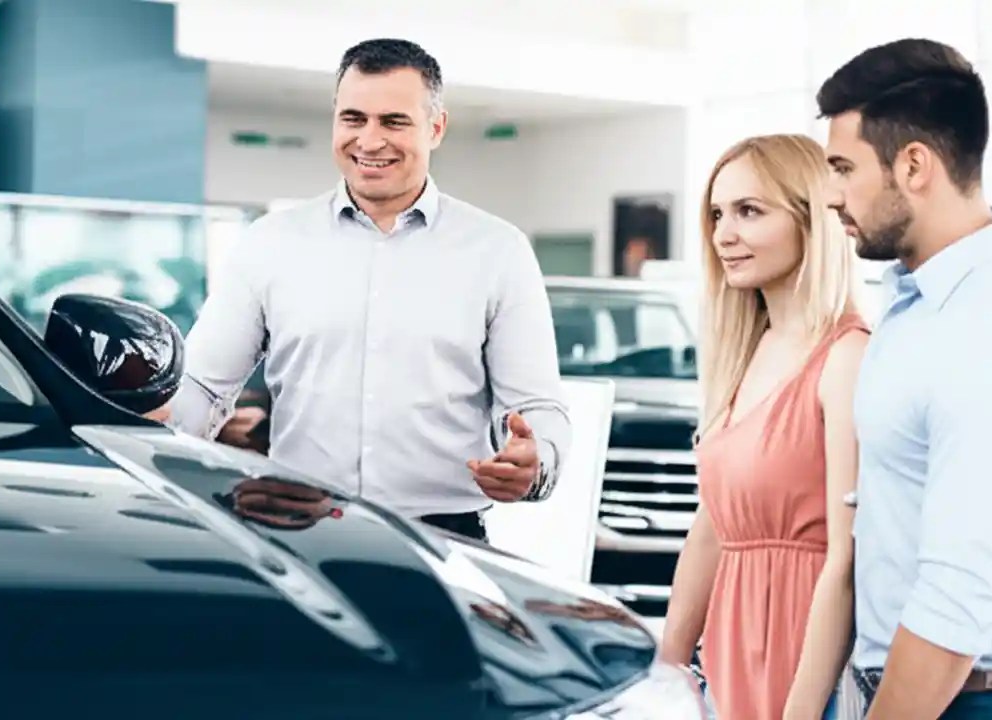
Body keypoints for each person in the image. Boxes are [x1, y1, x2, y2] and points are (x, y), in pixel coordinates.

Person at [166, 38, 571, 543]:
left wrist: (536, 465)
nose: (369, 140)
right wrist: (150, 431)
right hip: (296, 532)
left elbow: (538, 406)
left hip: (448, 542)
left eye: (393, 121)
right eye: (353, 118)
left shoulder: (498, 251)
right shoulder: (270, 243)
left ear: (436, 127)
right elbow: (204, 386)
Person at [818, 38, 992, 719]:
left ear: (913, 165)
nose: (830, 195)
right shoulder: (919, 299)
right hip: (910, 690)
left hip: (969, 703)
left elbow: (956, 600)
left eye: (843, 167)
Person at [659, 133, 869, 720]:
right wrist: (666, 672)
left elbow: (845, 560)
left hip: (810, 657)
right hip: (735, 649)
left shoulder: (847, 356)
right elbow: (712, 526)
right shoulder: (745, 350)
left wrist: (800, 712)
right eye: (718, 214)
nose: (723, 233)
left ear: (813, 220)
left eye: (750, 211)